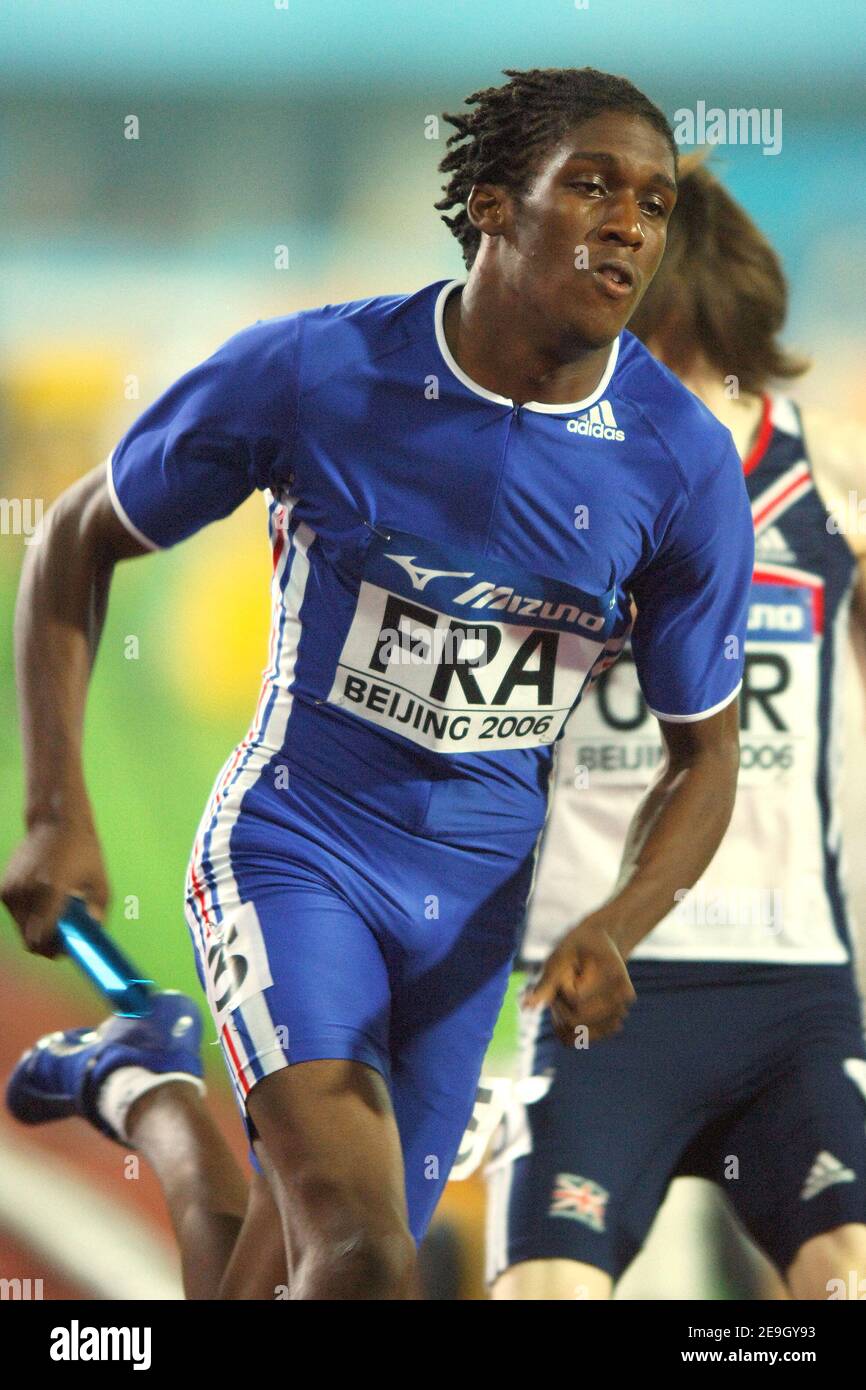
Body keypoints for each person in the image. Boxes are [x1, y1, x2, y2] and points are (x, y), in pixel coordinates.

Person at [2, 69, 753, 1301]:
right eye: (593, 188)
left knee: (285, 1276)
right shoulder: (317, 372)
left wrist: (618, 922)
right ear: (491, 206)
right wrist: (53, 807)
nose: (630, 225)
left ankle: (148, 1085)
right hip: (300, 849)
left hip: (469, 923)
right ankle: (158, 1079)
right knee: (363, 1259)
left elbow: (704, 753)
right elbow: (78, 534)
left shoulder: (677, 464)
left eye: (655, 202)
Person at [487, 158, 866, 1302]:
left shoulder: (829, 492)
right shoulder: (527, 480)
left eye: (706, 365)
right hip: (598, 985)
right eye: (650, 363)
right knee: (545, 1290)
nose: (683, 403)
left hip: (788, 985)